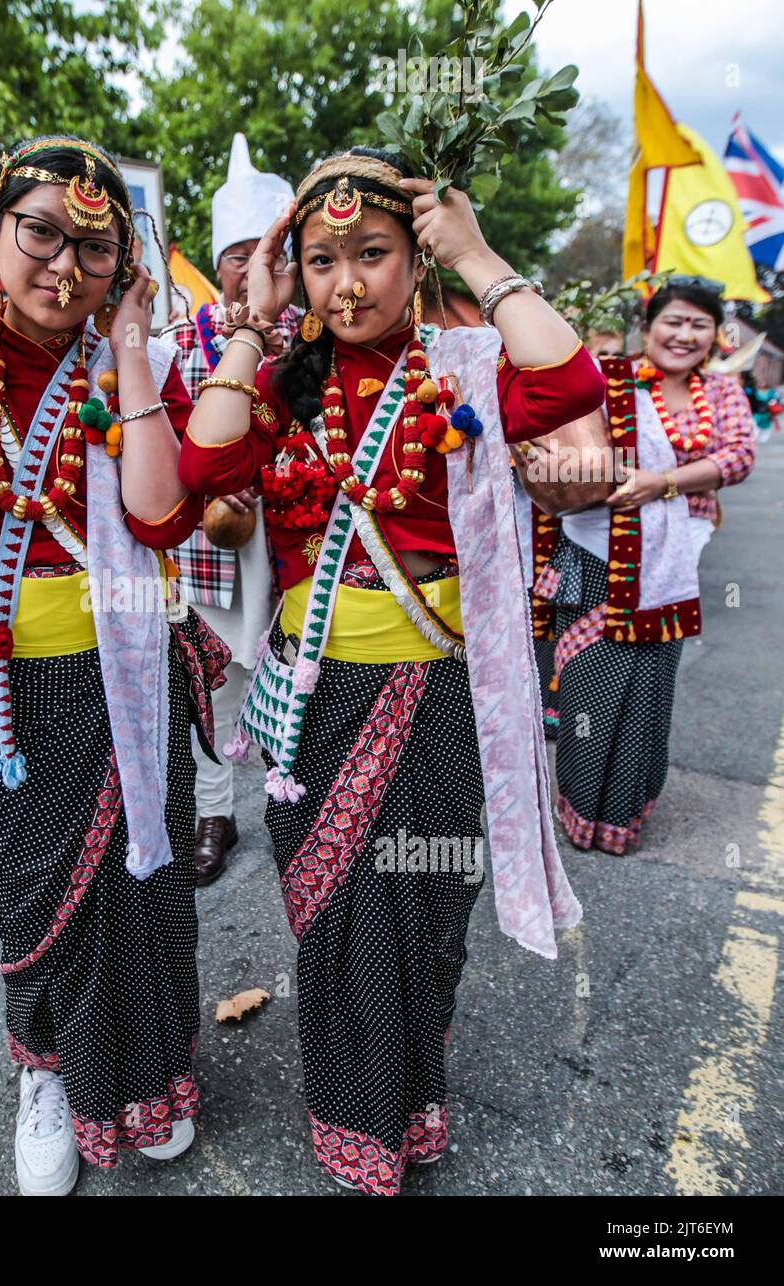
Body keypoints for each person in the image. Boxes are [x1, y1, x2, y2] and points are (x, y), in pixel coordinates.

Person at [180, 146, 602, 1194]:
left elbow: (568, 380)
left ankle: (412, 1088)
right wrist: (250, 315)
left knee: (428, 905)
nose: (347, 283)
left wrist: (477, 252)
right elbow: (201, 465)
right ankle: (354, 1118)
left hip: (448, 689)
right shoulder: (277, 381)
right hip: (320, 698)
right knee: (339, 917)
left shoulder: (462, 365)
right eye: (321, 262)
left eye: (372, 253)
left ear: (414, 260)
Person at [0, 135, 223, 1196]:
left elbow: (162, 511)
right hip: (6, 694)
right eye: (41, 235)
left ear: (126, 267)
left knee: (145, 889)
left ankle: (152, 1076)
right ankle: (47, 1076)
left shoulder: (134, 364)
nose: (65, 266)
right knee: (35, 903)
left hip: (132, 680)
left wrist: (134, 347)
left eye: (96, 249)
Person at [539, 276, 757, 856]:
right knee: (591, 686)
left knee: (648, 688)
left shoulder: (724, 391)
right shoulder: (608, 379)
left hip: (671, 564)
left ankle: (622, 815)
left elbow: (736, 457)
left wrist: (662, 483)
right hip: (594, 552)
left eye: (699, 324)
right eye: (674, 321)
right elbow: (558, 443)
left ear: (715, 334)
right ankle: (582, 807)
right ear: (649, 323)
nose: (685, 335)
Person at [161, 133, 298, 884]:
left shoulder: (320, 339)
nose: (250, 268)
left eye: (265, 250)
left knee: (297, 673)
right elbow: (157, 446)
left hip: (297, 544)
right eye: (236, 254)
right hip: (207, 548)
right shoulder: (179, 342)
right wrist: (210, 483)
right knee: (206, 688)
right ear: (216, 269)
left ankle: (293, 799)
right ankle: (214, 812)